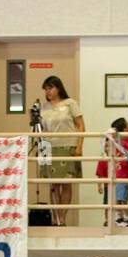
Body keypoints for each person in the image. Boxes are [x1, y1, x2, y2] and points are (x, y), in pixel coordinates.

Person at [37, 76, 84, 227]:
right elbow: (42, 130)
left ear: (58, 87)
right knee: (53, 184)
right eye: (46, 89)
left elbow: (81, 126)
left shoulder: (70, 103)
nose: (48, 91)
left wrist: (79, 146)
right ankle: (55, 217)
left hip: (68, 145)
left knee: (66, 184)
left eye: (50, 88)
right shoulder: (44, 107)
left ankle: (62, 217)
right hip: (48, 147)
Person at [98, 117, 128, 226]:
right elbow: (100, 170)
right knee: (118, 199)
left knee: (123, 198)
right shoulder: (116, 143)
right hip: (119, 176)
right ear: (124, 129)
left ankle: (123, 217)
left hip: (125, 176)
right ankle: (119, 217)